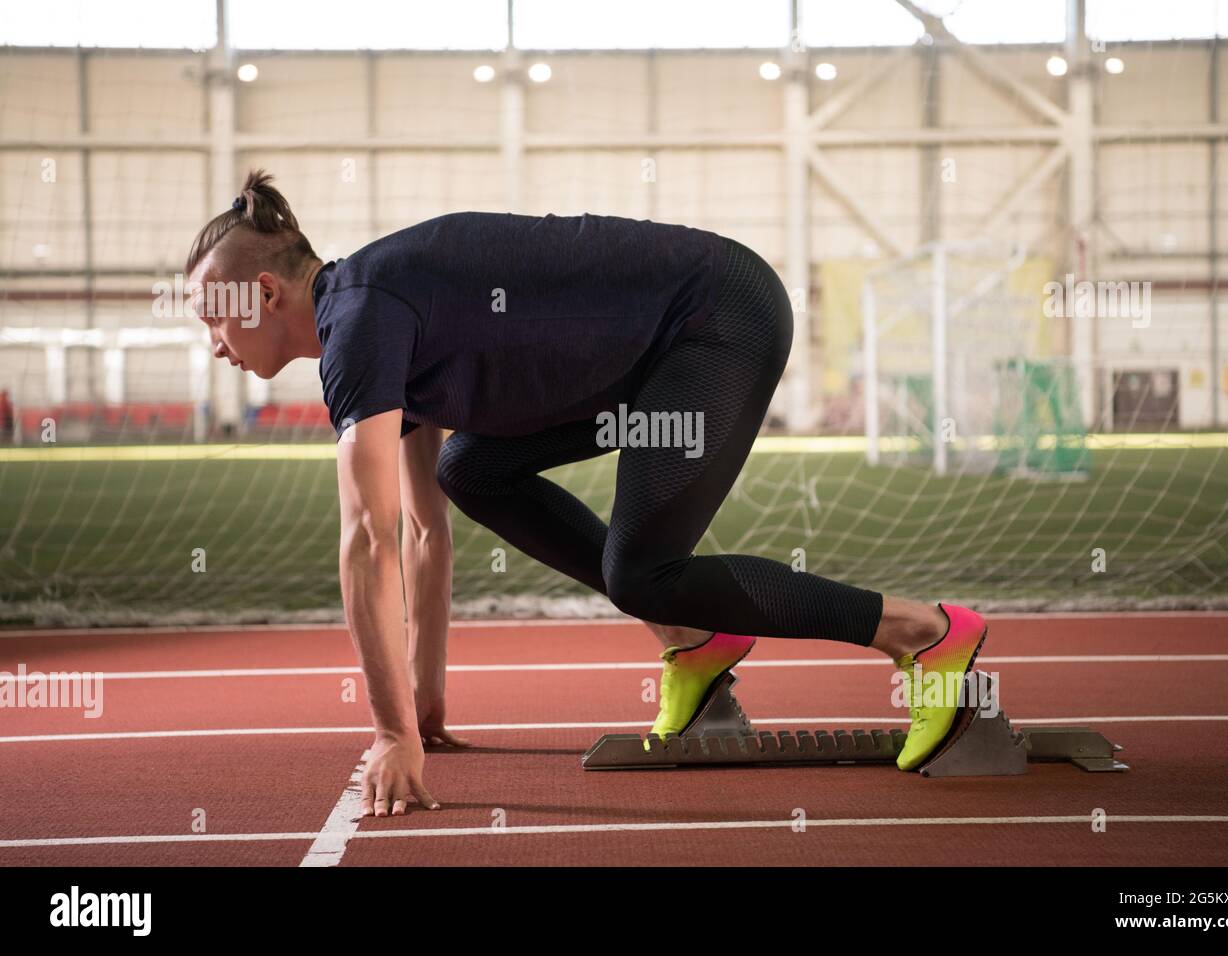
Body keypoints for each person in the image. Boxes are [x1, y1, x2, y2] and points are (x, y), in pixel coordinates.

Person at [186, 169, 988, 818]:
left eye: (211, 318)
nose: (213, 345)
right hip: (643, 363)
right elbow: (424, 535)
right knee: (469, 468)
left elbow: (368, 540)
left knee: (644, 568)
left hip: (713, 319)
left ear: (262, 293)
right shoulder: (375, 320)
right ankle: (695, 641)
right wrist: (422, 710)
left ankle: (921, 633)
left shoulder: (361, 320)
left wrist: (390, 734)